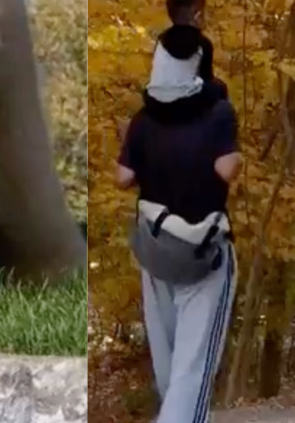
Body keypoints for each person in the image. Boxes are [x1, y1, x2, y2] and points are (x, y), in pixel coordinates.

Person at [117, 22, 242, 423]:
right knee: (194, 366)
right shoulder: (219, 112)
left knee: (169, 365)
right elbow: (226, 169)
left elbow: (122, 178)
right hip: (203, 255)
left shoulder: (142, 120)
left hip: (155, 252)